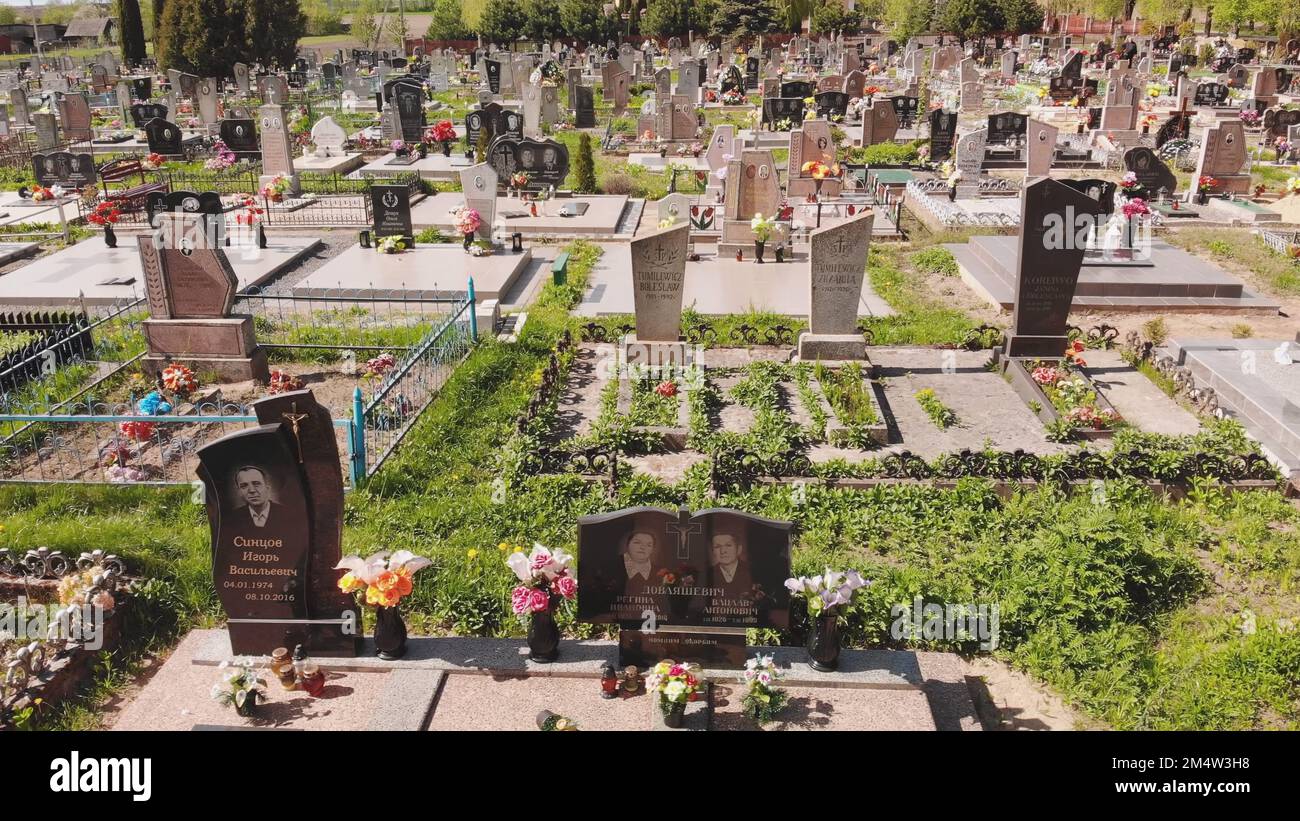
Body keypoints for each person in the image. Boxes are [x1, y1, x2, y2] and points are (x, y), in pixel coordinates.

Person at [230, 465, 283, 531]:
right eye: (244, 486)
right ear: (239, 491)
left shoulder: (287, 515)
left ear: (267, 488)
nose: (252, 490)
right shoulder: (232, 518)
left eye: (256, 484)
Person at [708, 529, 753, 599]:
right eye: (717, 547)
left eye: (728, 545)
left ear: (739, 549)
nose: (723, 551)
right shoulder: (707, 574)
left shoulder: (752, 571)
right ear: (713, 551)